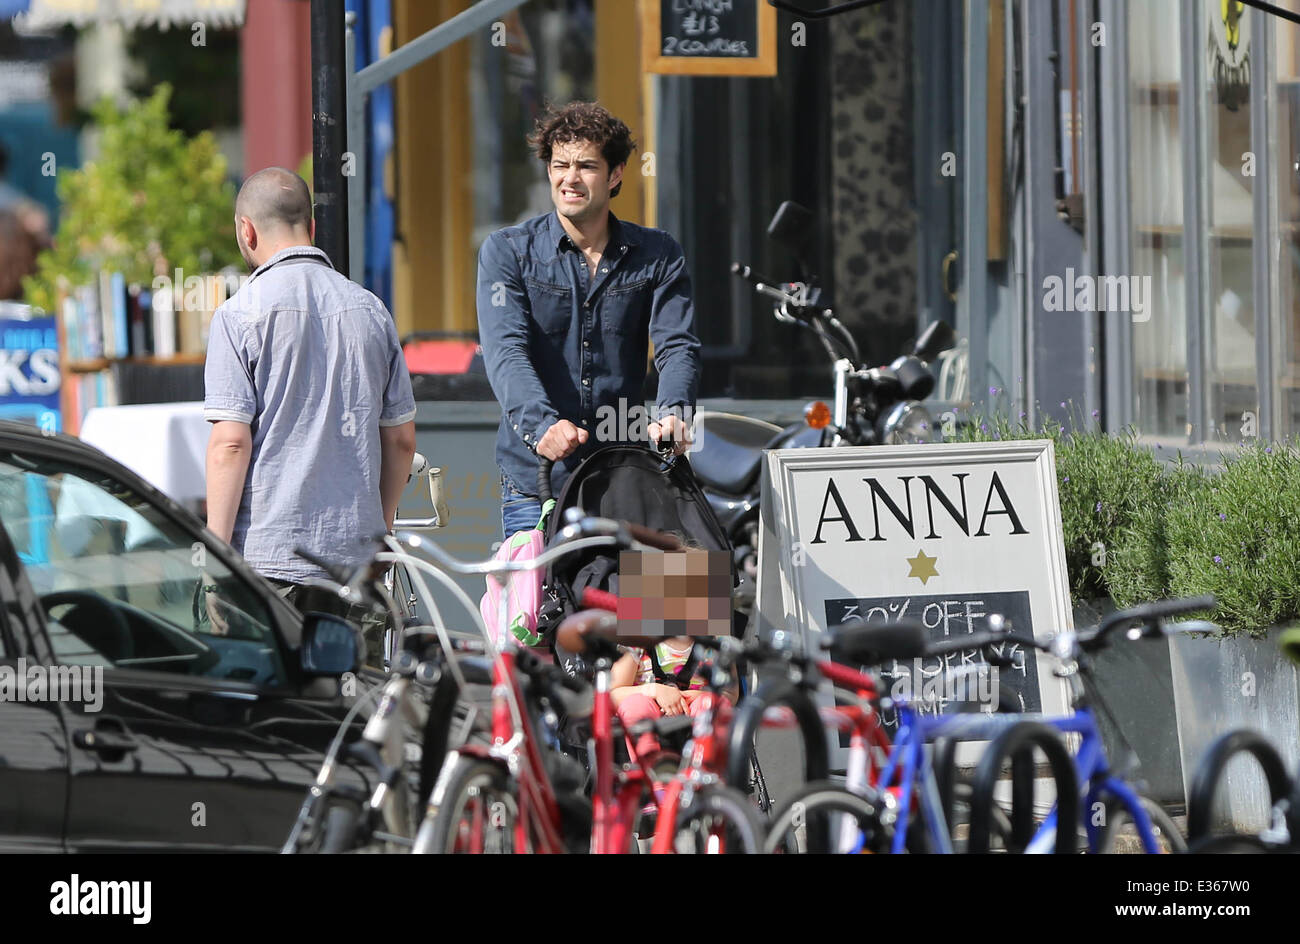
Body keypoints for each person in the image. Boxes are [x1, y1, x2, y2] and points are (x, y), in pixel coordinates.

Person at [203, 167, 416, 655]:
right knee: (351, 712)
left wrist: (215, 556)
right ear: (312, 227)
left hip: (268, 561)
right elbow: (402, 441)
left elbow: (231, 443)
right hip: (355, 564)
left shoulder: (239, 315)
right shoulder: (371, 310)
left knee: (270, 716)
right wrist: (375, 531)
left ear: (246, 231)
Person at [477, 101, 701, 537]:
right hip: (536, 481)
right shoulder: (507, 251)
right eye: (559, 165)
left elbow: (677, 346)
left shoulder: (659, 254)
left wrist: (676, 413)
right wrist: (542, 426)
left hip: (630, 473)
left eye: (585, 166)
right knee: (538, 605)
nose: (569, 179)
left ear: (615, 173)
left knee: (672, 601)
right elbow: (506, 350)